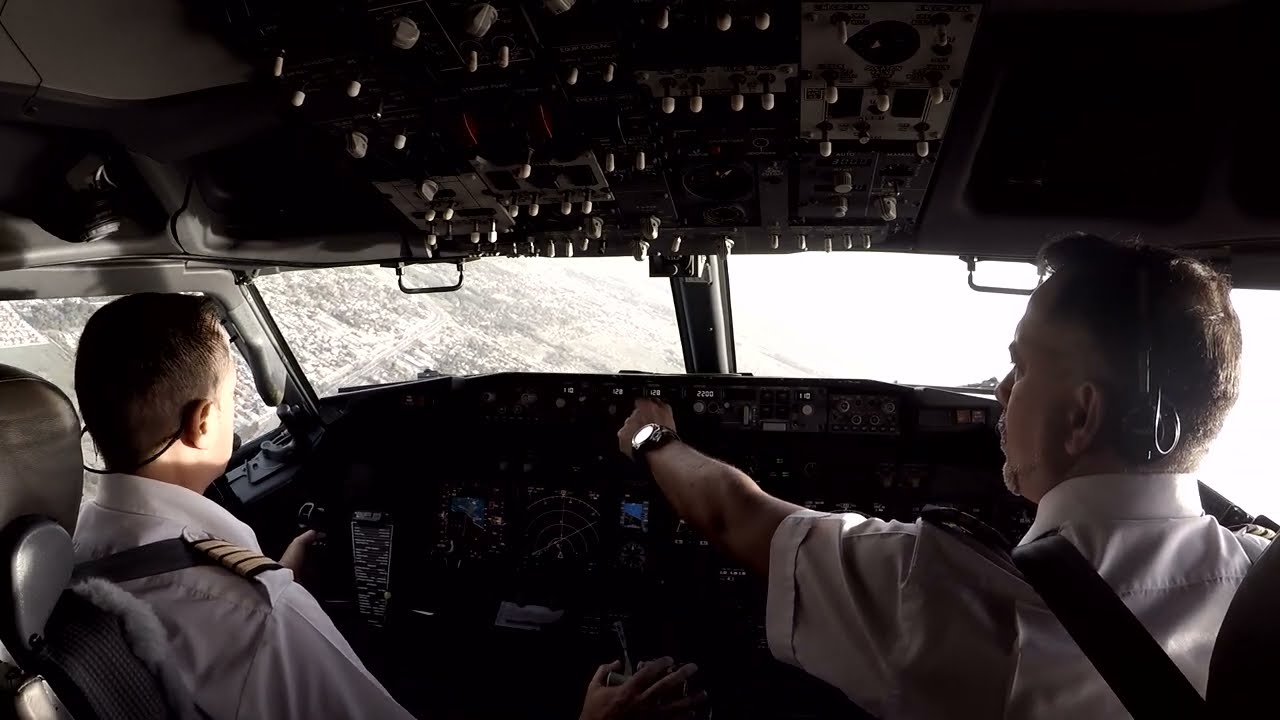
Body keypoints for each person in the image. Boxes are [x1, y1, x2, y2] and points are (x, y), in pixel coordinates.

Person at [617, 233, 1267, 718]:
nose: (1002, 390)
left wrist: (653, 437)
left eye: (1022, 368)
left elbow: (732, 515)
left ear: (1081, 415)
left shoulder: (956, 600)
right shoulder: (1264, 576)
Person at [73, 293, 705, 720]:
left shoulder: (71, 562)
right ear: (204, 419)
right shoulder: (258, 616)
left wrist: (281, 580)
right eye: (233, 399)